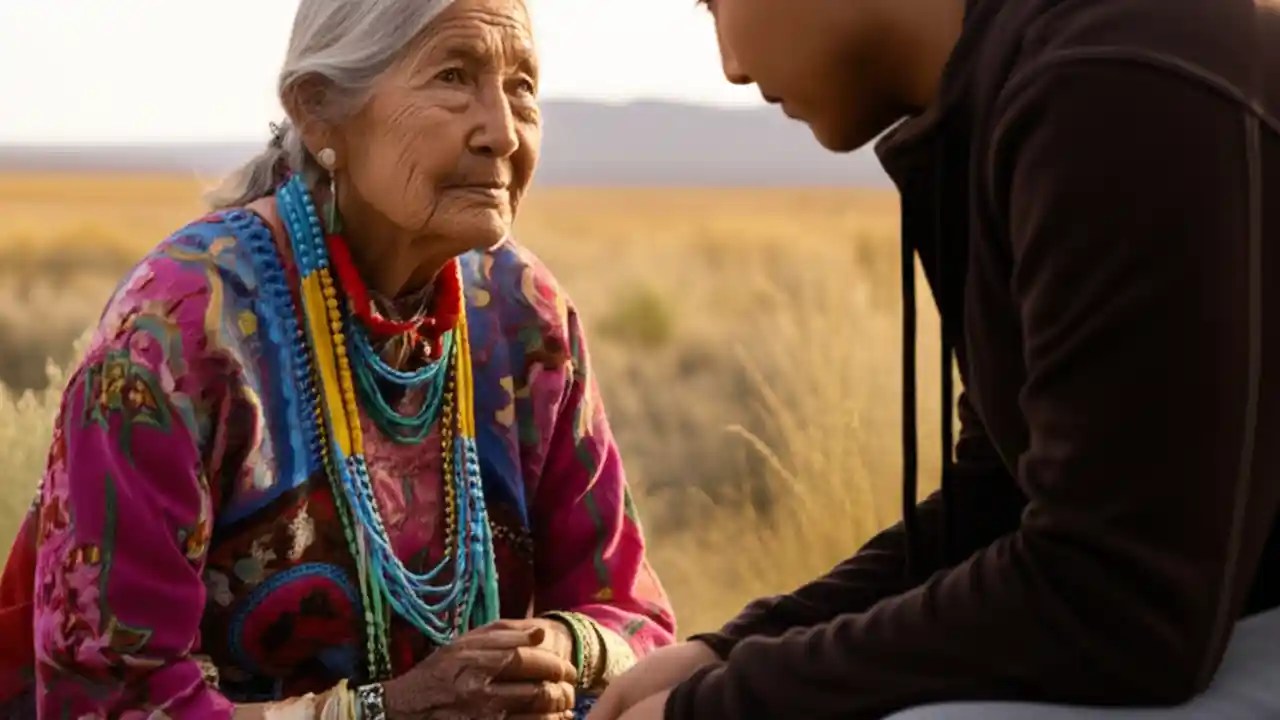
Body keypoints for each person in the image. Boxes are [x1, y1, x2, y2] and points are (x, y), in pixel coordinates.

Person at [590, 0, 1280, 718]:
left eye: (713, 3)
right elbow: (1004, 498)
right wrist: (734, 648)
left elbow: (1121, 599)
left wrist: (725, 704)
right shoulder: (1030, 80)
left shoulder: (1115, 74)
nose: (729, 67)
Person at [0, 0, 677, 717]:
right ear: (321, 112)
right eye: (454, 76)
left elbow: (636, 621)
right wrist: (384, 711)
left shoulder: (524, 319)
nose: (503, 133)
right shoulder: (177, 335)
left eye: (522, 87)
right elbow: (103, 695)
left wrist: (560, 648)